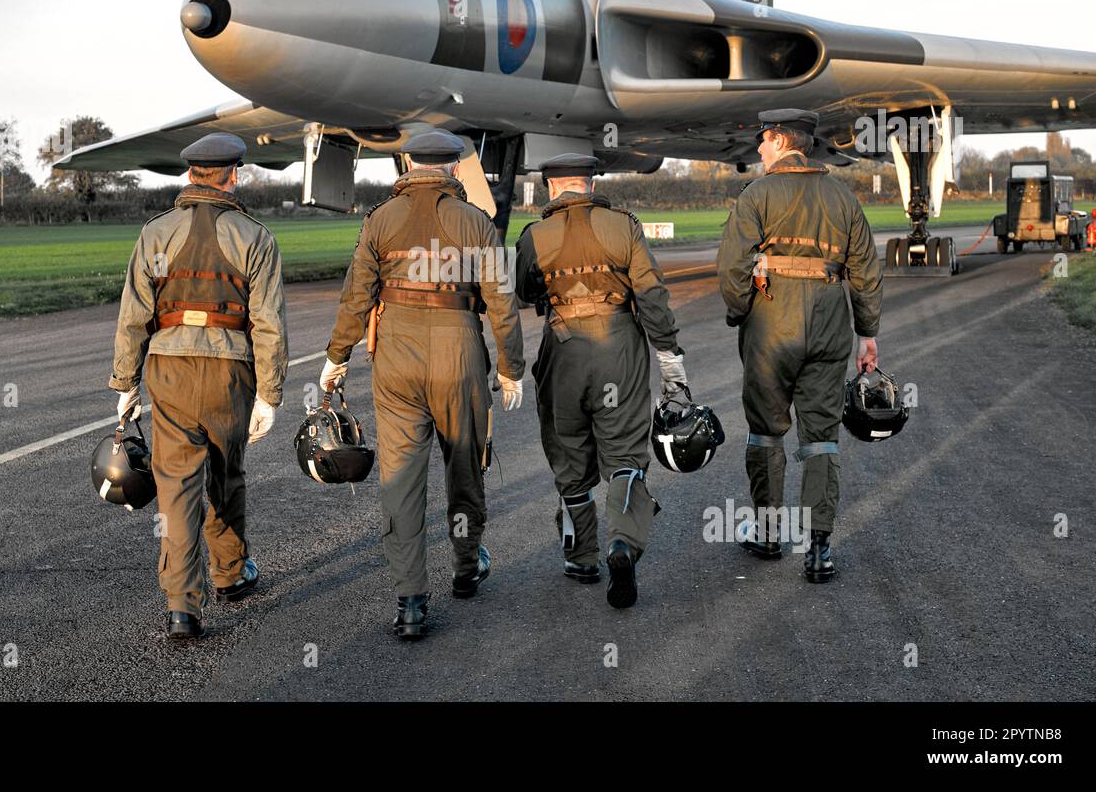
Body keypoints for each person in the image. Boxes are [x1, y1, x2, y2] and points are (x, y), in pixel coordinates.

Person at [319, 129, 524, 639]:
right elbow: (501, 300)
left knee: (402, 481)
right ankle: (465, 566)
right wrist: (510, 367)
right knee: (465, 465)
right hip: (458, 350)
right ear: (455, 167)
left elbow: (356, 296)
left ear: (408, 163)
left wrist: (336, 356)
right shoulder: (478, 222)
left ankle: (410, 600)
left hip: (397, 355)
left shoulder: (379, 220)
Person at [109, 132, 288, 639]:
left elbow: (133, 316)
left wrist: (126, 382)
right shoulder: (255, 237)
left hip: (168, 370)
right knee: (226, 475)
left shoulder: (155, 233)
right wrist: (269, 395)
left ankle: (182, 607)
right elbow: (269, 322)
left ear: (190, 175)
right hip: (231, 372)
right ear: (234, 174)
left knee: (177, 489)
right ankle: (230, 574)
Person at [715, 109, 883, 582]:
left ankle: (768, 534)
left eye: (763, 142)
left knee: (767, 430)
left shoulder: (757, 194)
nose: (760, 151)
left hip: (772, 324)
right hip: (831, 324)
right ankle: (819, 547)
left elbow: (732, 268)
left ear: (777, 140)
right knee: (821, 437)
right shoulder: (842, 197)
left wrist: (740, 310)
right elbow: (866, 273)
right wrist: (866, 333)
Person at [515, 153, 685, 608]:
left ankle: (581, 557)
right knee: (626, 453)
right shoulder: (624, 225)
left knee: (569, 457)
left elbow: (524, 292)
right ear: (590, 184)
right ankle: (622, 544)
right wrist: (668, 355)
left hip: (563, 351)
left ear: (552, 188)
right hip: (620, 349)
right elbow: (651, 294)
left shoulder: (534, 235)